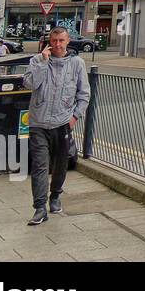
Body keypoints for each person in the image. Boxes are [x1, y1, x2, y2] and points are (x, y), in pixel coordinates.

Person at [22, 27, 91, 226]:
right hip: (39, 123)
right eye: (54, 40)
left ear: (68, 41)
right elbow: (30, 84)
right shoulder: (37, 60)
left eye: (61, 40)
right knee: (40, 165)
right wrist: (43, 62)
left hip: (63, 123)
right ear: (49, 41)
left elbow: (84, 94)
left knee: (60, 164)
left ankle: (55, 196)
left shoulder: (77, 63)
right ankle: (39, 208)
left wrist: (75, 116)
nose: (57, 44)